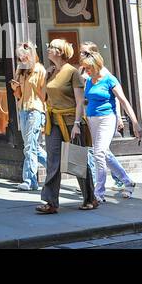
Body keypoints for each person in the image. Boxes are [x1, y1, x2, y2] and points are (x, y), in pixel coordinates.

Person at [36, 37, 97, 213]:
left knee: (76, 161)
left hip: (71, 121)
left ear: (60, 52)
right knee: (53, 161)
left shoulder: (72, 72)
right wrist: (45, 77)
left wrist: (78, 124)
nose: (48, 49)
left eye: (51, 47)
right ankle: (50, 202)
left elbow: (79, 102)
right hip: (53, 121)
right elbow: (43, 98)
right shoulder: (51, 72)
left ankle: (90, 198)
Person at [79, 50, 142, 202]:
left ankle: (99, 192)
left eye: (88, 68)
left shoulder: (109, 79)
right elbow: (85, 100)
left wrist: (135, 123)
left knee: (99, 153)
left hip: (107, 118)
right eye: (85, 68)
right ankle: (128, 182)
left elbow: (124, 101)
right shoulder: (89, 80)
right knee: (105, 154)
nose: (86, 71)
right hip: (92, 119)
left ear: (97, 66)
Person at [10, 41, 47, 192]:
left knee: (29, 146)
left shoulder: (39, 70)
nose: (22, 60)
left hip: (35, 110)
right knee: (32, 146)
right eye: (20, 57)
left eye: (24, 57)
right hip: (23, 110)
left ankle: (30, 180)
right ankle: (55, 166)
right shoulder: (19, 70)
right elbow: (18, 96)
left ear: (31, 55)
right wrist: (15, 89)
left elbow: (44, 95)